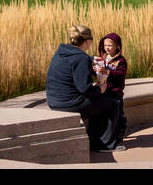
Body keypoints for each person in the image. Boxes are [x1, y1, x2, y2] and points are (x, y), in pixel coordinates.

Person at [45, 24, 124, 152]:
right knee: (112, 104)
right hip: (69, 104)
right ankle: (104, 144)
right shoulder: (80, 59)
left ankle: (94, 139)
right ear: (87, 42)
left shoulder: (61, 52)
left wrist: (90, 59)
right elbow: (85, 89)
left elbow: (75, 63)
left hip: (54, 101)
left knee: (98, 102)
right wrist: (100, 89)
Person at [93, 32, 129, 145]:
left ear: (117, 46)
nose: (107, 48)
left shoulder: (121, 61)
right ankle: (104, 136)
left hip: (115, 93)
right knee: (106, 117)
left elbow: (121, 73)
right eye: (105, 46)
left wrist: (108, 71)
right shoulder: (103, 58)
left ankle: (119, 138)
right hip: (104, 91)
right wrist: (95, 71)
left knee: (118, 116)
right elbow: (100, 74)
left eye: (110, 45)